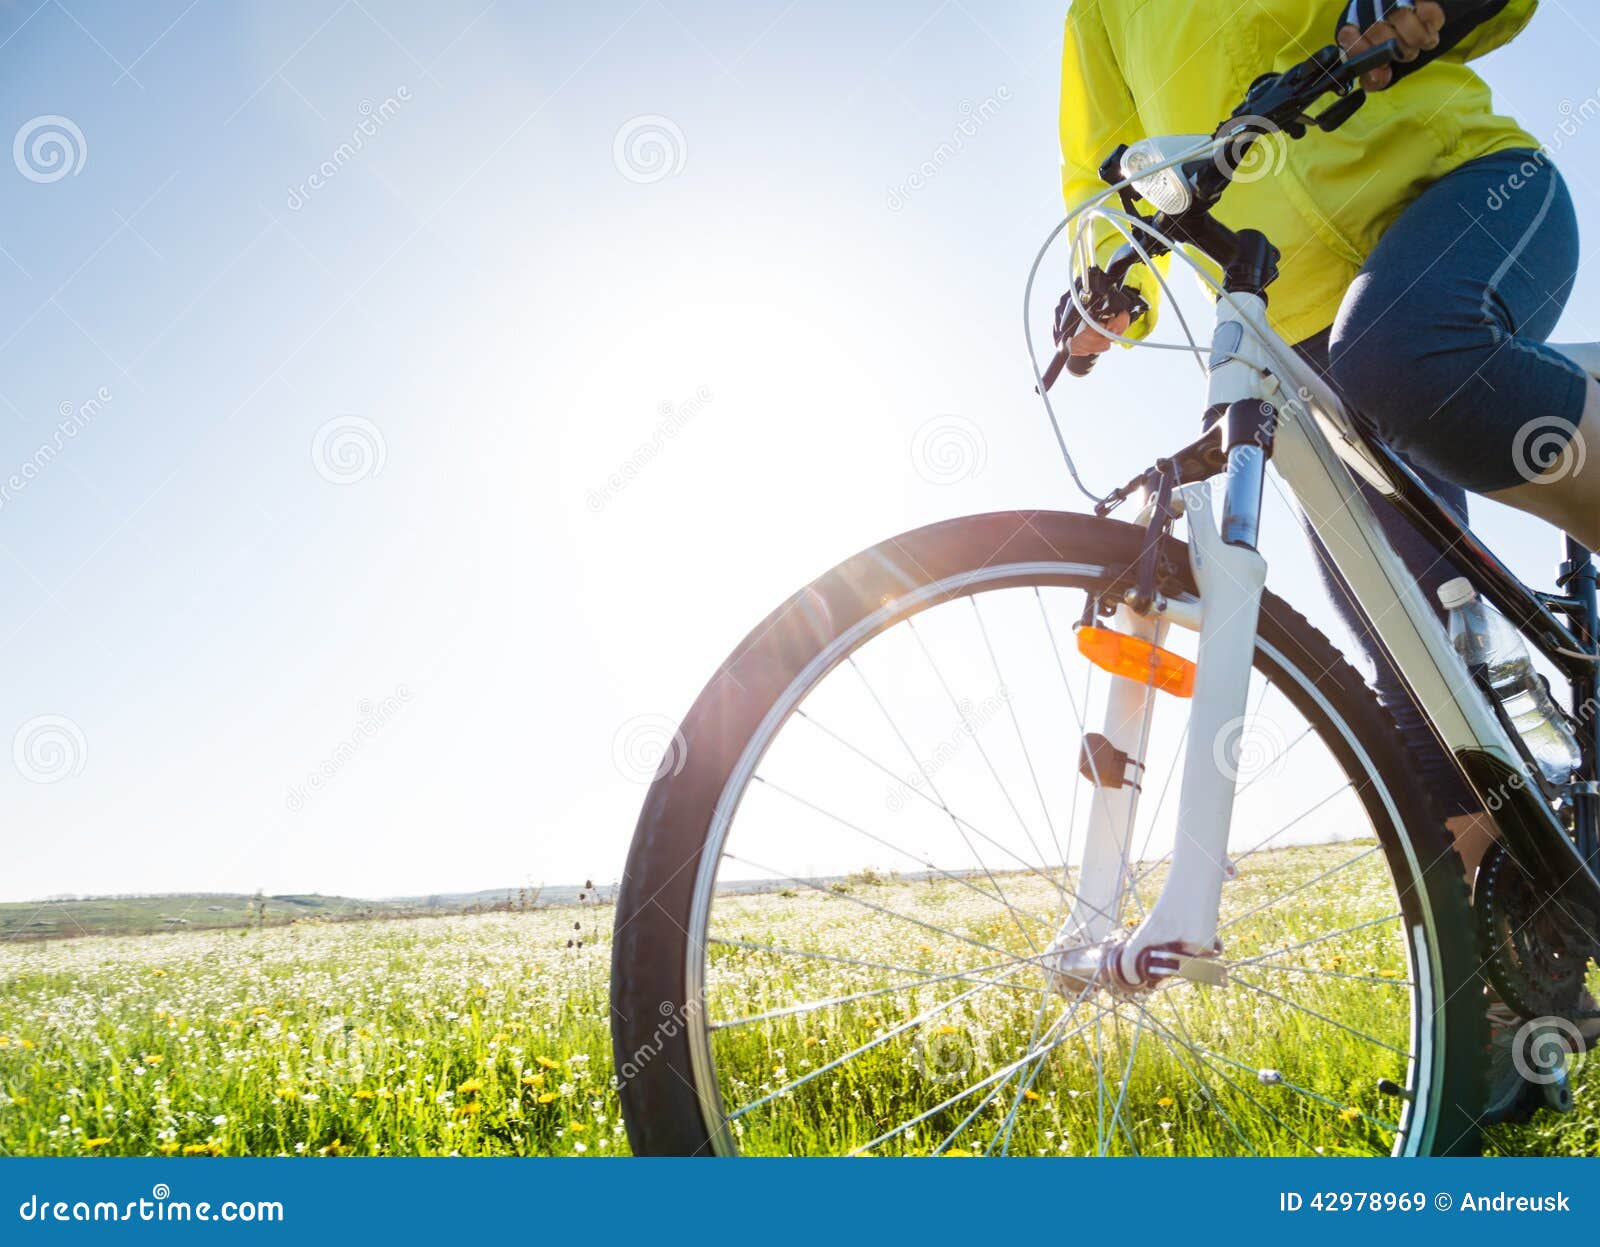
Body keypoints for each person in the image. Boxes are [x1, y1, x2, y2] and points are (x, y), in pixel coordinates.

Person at [1059, 0, 1597, 1122]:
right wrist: (1105, 275)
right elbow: (1100, 172)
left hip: (1466, 191)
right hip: (1291, 318)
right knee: (1408, 659)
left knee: (1402, 353)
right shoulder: (1097, 13)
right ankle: (1509, 1004)